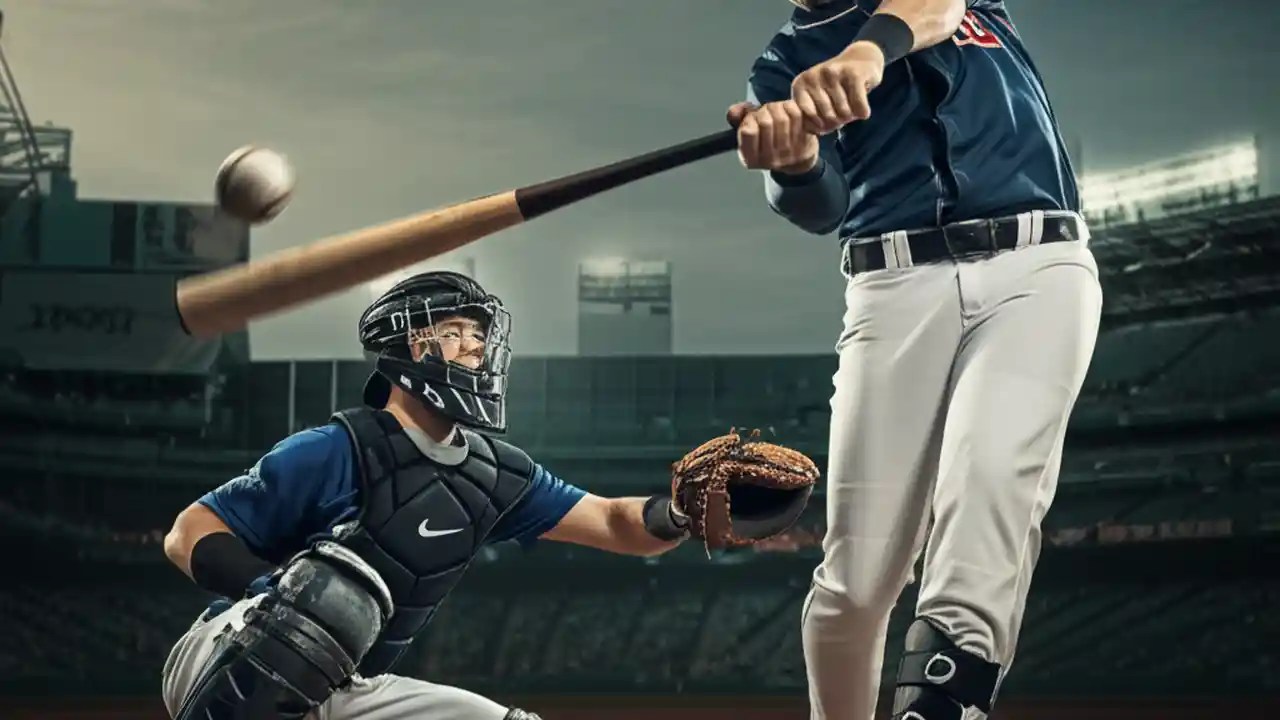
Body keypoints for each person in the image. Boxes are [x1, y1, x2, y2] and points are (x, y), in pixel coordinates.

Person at [729, 2, 1102, 719]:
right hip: (893, 289)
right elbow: (820, 207)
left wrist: (868, 54)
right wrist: (797, 159)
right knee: (855, 587)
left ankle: (942, 700)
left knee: (990, 482)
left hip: (1038, 267)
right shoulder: (780, 66)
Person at [160, 271, 693, 720]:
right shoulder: (335, 449)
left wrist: (681, 512)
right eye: (458, 332)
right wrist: (271, 593)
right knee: (323, 602)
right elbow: (188, 533)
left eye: (481, 336)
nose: (479, 347)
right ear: (414, 346)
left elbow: (616, 523)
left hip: (342, 691)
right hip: (231, 655)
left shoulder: (496, 475)